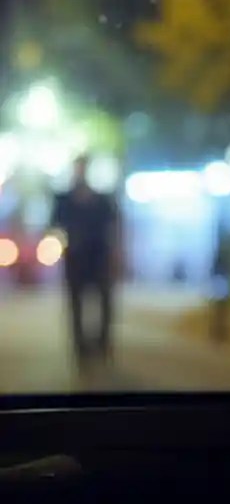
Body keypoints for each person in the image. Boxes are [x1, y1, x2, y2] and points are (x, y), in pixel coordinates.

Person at [50, 155, 121, 368]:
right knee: (76, 306)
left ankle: (103, 344)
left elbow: (113, 226)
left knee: (105, 303)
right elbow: (55, 227)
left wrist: (115, 254)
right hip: (75, 258)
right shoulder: (63, 199)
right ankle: (81, 348)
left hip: (99, 258)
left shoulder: (102, 199)